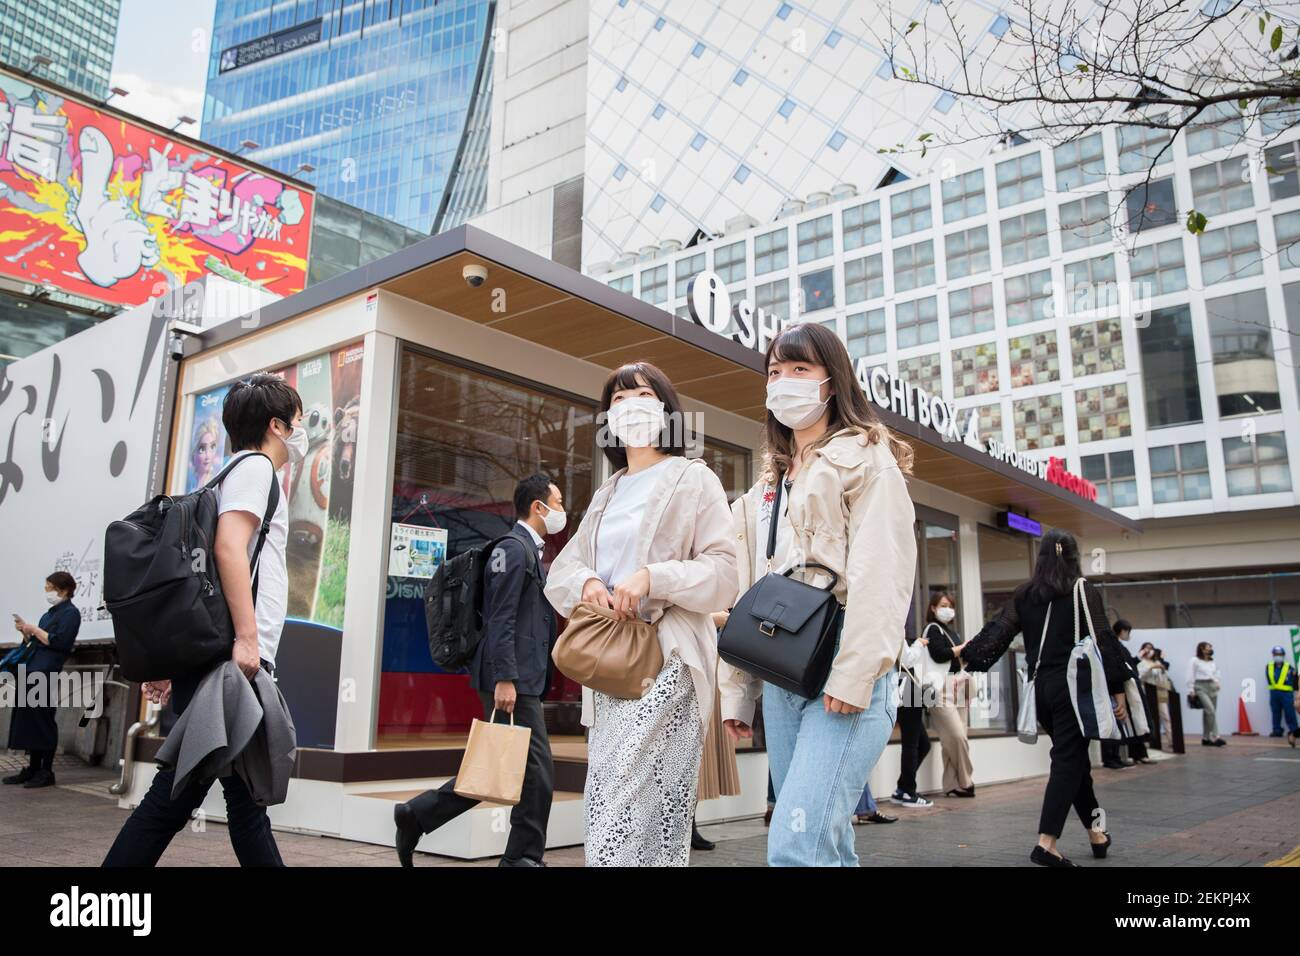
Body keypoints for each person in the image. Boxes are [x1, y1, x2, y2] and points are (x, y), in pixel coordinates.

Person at [718, 322, 916, 866]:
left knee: (796, 842)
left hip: (845, 671)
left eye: (800, 369)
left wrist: (855, 674)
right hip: (783, 678)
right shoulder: (766, 488)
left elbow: (884, 577)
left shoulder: (869, 462)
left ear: (832, 381)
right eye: (774, 372)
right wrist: (738, 694)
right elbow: (751, 593)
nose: (784, 382)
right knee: (823, 843)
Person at [103, 372, 302, 867]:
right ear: (277, 426)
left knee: (239, 798)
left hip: (220, 662)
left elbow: (201, 577)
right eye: (298, 421)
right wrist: (248, 640)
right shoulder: (256, 469)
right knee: (181, 797)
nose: (302, 430)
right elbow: (229, 550)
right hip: (232, 662)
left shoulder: (226, 475)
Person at [545, 362, 738, 866]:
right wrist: (587, 583)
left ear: (666, 408)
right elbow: (564, 568)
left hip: (668, 655)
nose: (630, 405)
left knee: (625, 797)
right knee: (632, 798)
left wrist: (655, 576)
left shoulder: (693, 478)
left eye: (643, 394)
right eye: (619, 399)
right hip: (609, 663)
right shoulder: (608, 492)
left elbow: (724, 573)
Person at [394, 474, 562, 867]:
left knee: (501, 768)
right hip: (510, 679)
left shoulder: (526, 551)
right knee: (537, 773)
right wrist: (506, 678)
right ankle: (522, 858)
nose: (561, 510)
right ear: (539, 507)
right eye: (557, 502)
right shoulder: (514, 549)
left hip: (519, 677)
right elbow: (501, 619)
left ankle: (417, 815)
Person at [956, 528, 1130, 867]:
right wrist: (1118, 688)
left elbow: (998, 631)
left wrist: (964, 654)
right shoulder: (1082, 590)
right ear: (1075, 557)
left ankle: (1097, 832)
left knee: (1075, 760)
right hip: (1073, 688)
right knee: (1068, 760)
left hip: (1041, 690)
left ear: (1042, 558)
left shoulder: (1025, 594)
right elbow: (1103, 637)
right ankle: (1046, 843)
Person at [4, 572, 81, 788]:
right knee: (28, 719)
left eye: (50, 587)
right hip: (31, 669)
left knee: (42, 719)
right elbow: (39, 642)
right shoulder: (49, 614)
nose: (47, 592)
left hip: (46, 671)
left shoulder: (71, 614)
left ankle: (46, 771)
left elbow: (60, 642)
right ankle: (33, 767)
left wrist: (35, 630)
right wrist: (26, 632)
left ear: (64, 590)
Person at [921, 591, 976, 797]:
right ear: (933, 608)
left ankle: (952, 785)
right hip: (936, 688)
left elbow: (958, 660)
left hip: (957, 685)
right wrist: (962, 648)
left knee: (950, 740)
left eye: (950, 606)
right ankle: (966, 780)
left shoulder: (952, 632)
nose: (947, 610)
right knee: (957, 735)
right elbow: (938, 654)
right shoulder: (932, 629)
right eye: (943, 605)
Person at [891, 628, 934, 808]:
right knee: (911, 744)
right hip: (906, 691)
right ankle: (908, 792)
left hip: (906, 691)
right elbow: (907, 658)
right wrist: (918, 644)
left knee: (923, 744)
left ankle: (902, 788)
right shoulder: (893, 620)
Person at [1100, 618, 1152, 768]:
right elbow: (1119, 670)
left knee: (1121, 722)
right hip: (1115, 689)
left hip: (1119, 688)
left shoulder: (1117, 647)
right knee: (1116, 722)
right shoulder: (1113, 646)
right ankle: (1112, 758)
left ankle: (1118, 757)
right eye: (1127, 631)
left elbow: (1122, 668)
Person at [1186, 641, 1226, 747]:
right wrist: (1191, 689)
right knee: (1210, 710)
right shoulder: (1194, 660)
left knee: (1208, 713)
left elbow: (1217, 672)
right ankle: (1216, 736)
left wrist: (1217, 681)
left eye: (1210, 647)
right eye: (1208, 647)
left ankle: (1205, 738)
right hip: (1200, 686)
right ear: (1202, 649)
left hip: (1212, 686)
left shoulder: (1213, 661)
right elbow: (1191, 674)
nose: (1210, 649)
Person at [1265, 646, 1299, 744]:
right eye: (1275, 655)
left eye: (1279, 655)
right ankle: (1277, 730)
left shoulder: (1289, 668)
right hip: (1274, 693)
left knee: (1290, 713)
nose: (1277, 657)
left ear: (1283, 656)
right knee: (1275, 712)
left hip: (1286, 694)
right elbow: (1268, 679)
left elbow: (1295, 681)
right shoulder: (1269, 666)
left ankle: (1294, 731)